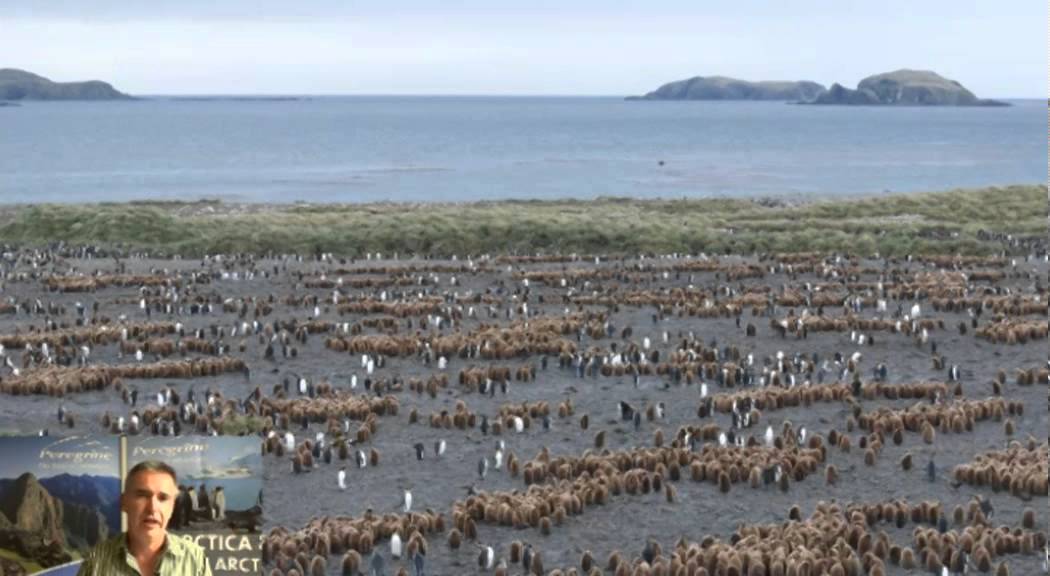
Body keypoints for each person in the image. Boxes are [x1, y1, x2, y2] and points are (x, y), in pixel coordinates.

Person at [77, 460, 212, 576]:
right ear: (124, 503)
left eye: (163, 498)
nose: (152, 508)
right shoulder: (96, 559)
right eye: (142, 495)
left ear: (172, 507)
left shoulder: (195, 559)